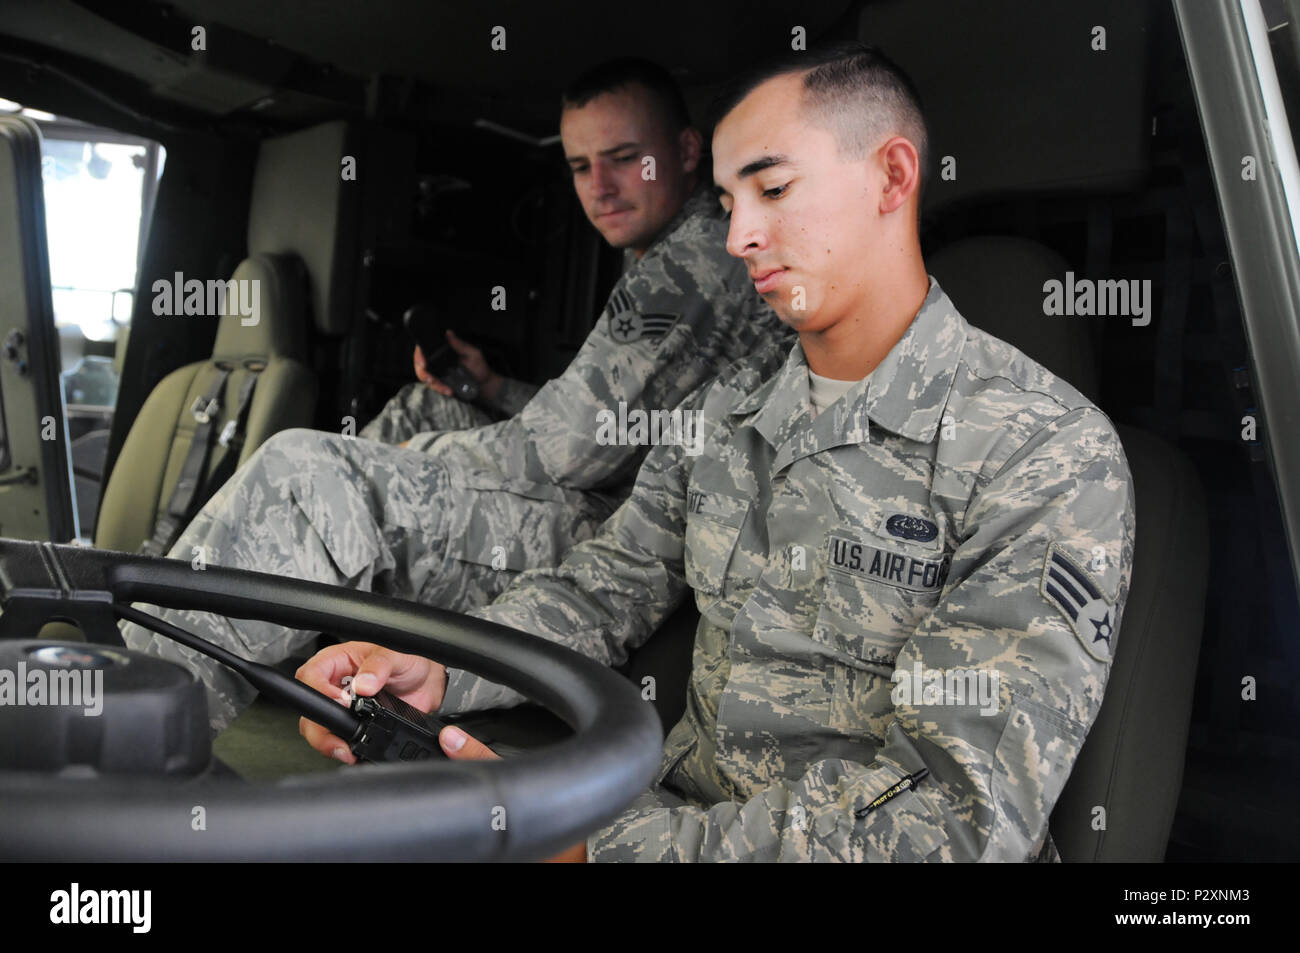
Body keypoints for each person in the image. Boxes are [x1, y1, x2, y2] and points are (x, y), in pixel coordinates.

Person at [298, 42, 1136, 863]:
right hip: (663, 813)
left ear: (891, 176)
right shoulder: (725, 410)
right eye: (731, 200)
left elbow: (953, 818)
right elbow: (607, 582)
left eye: (772, 188)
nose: (739, 236)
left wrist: (599, 844)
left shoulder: (1045, 452)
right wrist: (440, 668)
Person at [119, 57, 791, 733]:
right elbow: (619, 424)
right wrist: (494, 389)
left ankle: (148, 720)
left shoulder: (696, 257)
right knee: (424, 403)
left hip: (611, 526)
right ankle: (268, 607)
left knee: (306, 473)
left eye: (624, 159)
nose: (602, 187)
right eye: (582, 166)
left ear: (685, 151)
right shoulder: (668, 250)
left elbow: (564, 452)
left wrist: (427, 453)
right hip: (616, 489)